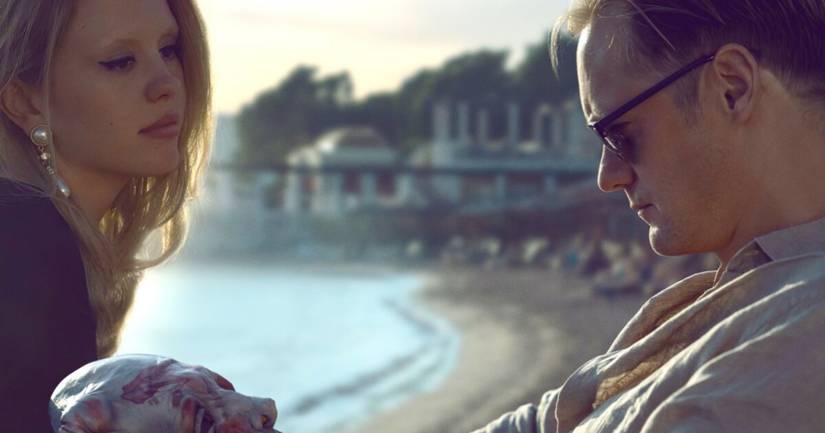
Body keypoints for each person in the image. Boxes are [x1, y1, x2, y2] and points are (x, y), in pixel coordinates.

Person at [474, 0, 825, 432]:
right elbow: (546, 420)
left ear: (732, 88)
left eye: (620, 134)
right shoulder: (751, 296)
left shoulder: (795, 347)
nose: (608, 177)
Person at [0, 0, 211, 431]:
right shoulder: (28, 241)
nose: (166, 84)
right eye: (120, 62)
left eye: (169, 50)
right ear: (24, 101)